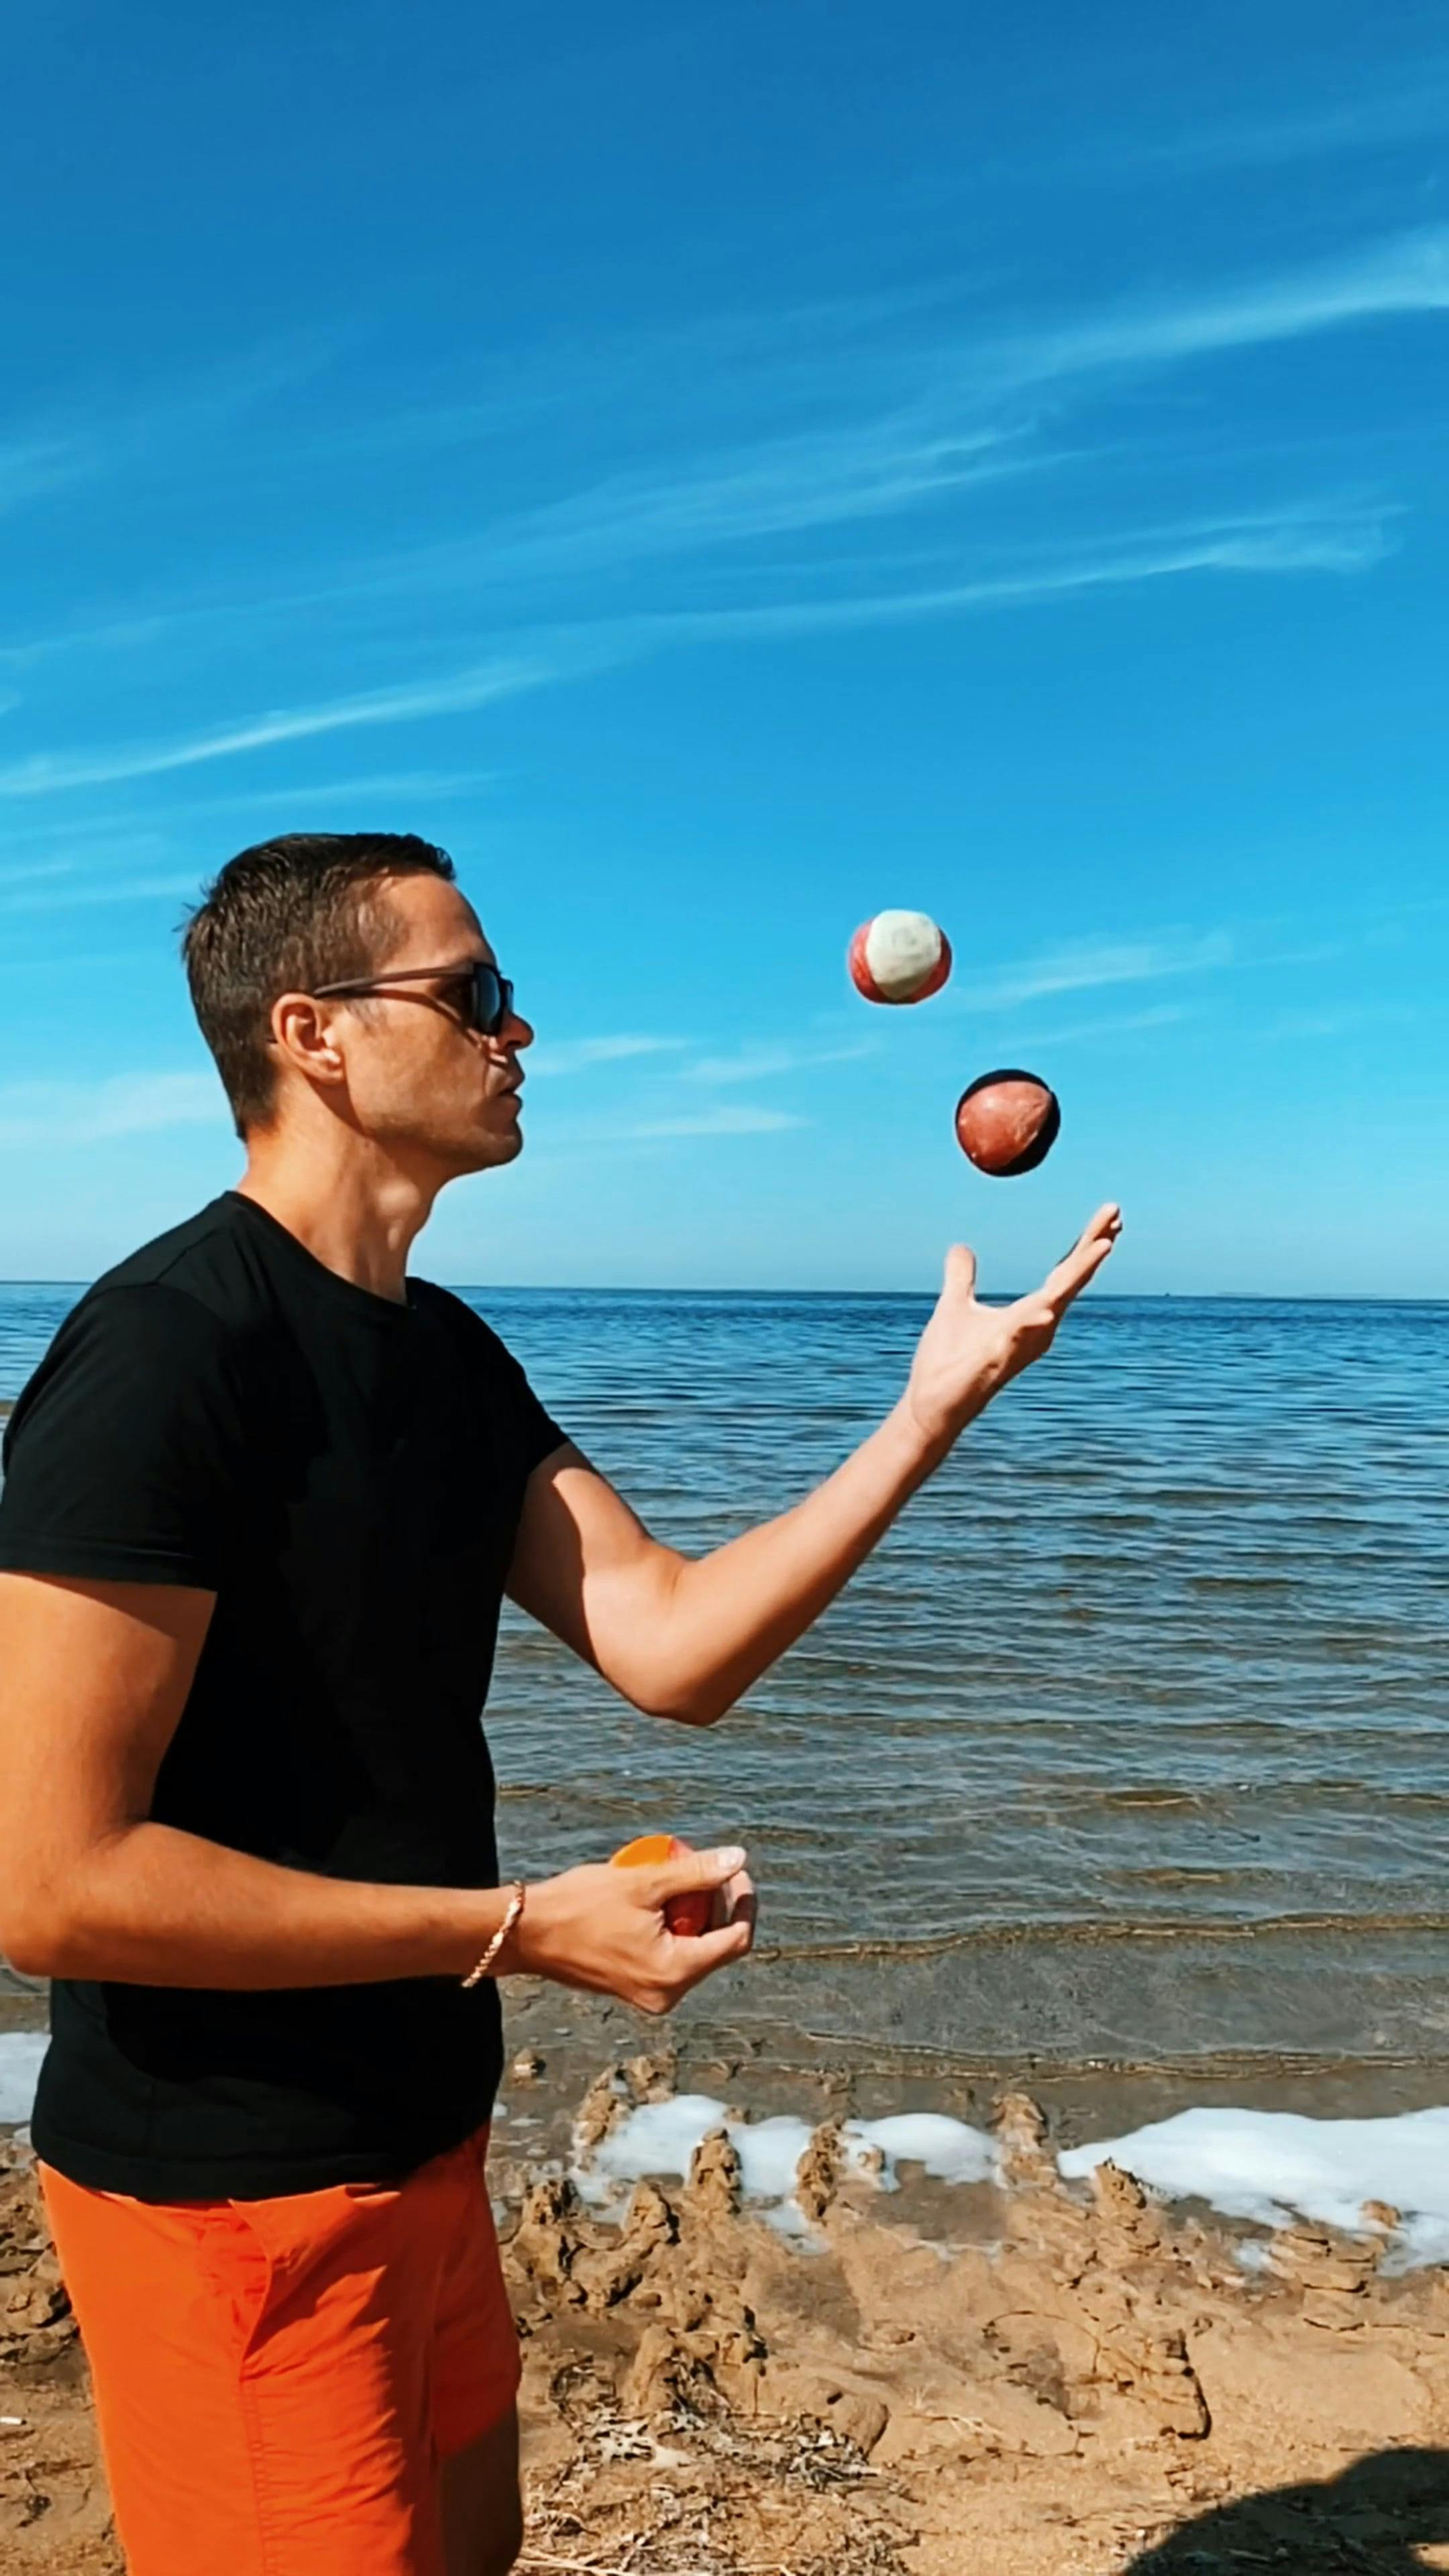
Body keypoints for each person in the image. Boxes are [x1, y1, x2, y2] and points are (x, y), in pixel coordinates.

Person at [0, 832, 1120, 2576]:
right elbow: (51, 1883)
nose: (522, 1033)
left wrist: (927, 1416)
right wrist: (524, 1927)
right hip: (233, 2194)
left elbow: (668, 1644)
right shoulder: (166, 1351)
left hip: (424, 2134)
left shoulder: (443, 1352)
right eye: (477, 996)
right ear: (316, 1034)